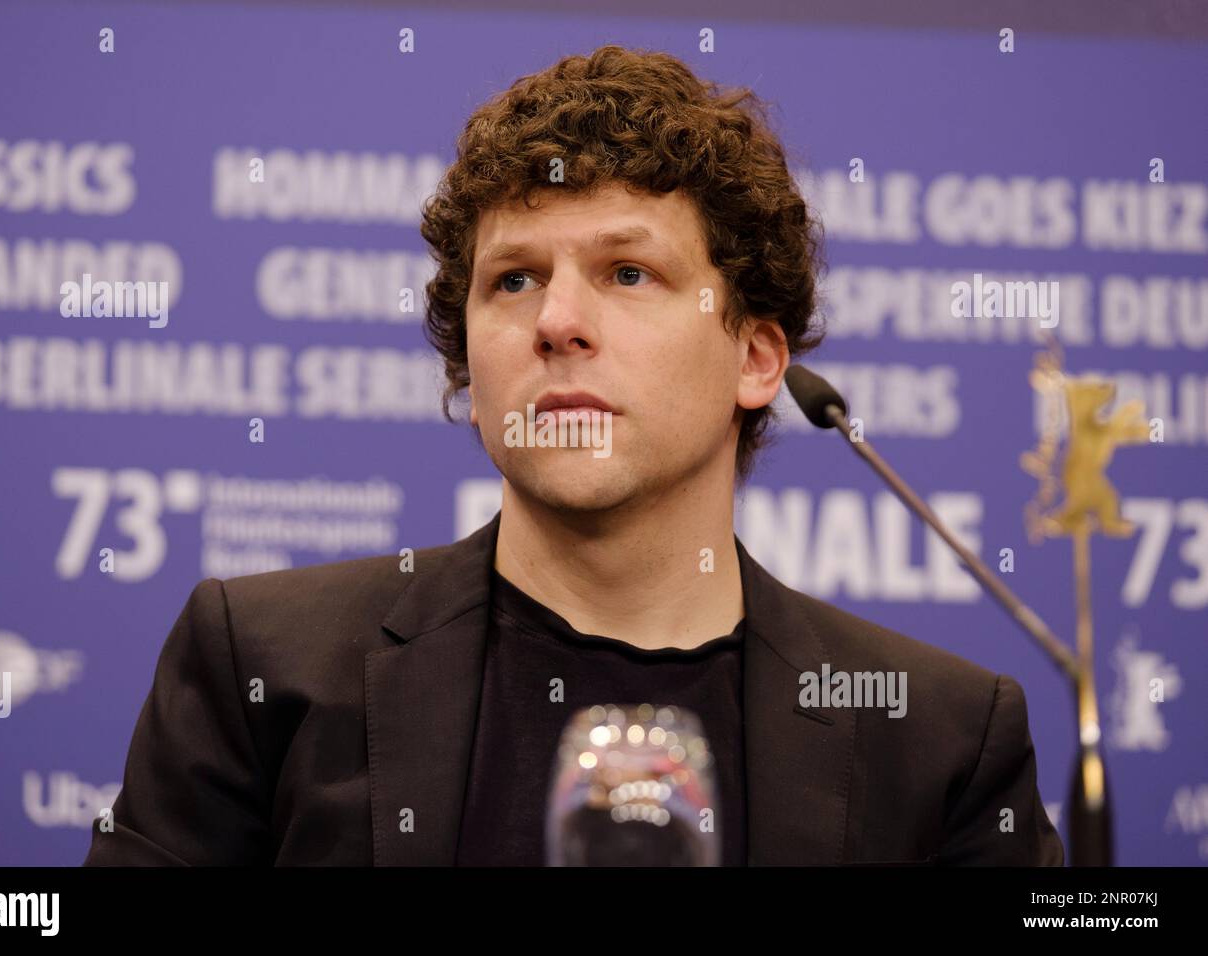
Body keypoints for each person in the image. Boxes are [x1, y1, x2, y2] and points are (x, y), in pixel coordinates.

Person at [84, 44, 1064, 866]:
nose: (556, 321)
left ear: (756, 357)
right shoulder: (264, 668)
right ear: (468, 364)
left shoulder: (935, 738)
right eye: (512, 280)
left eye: (626, 271)